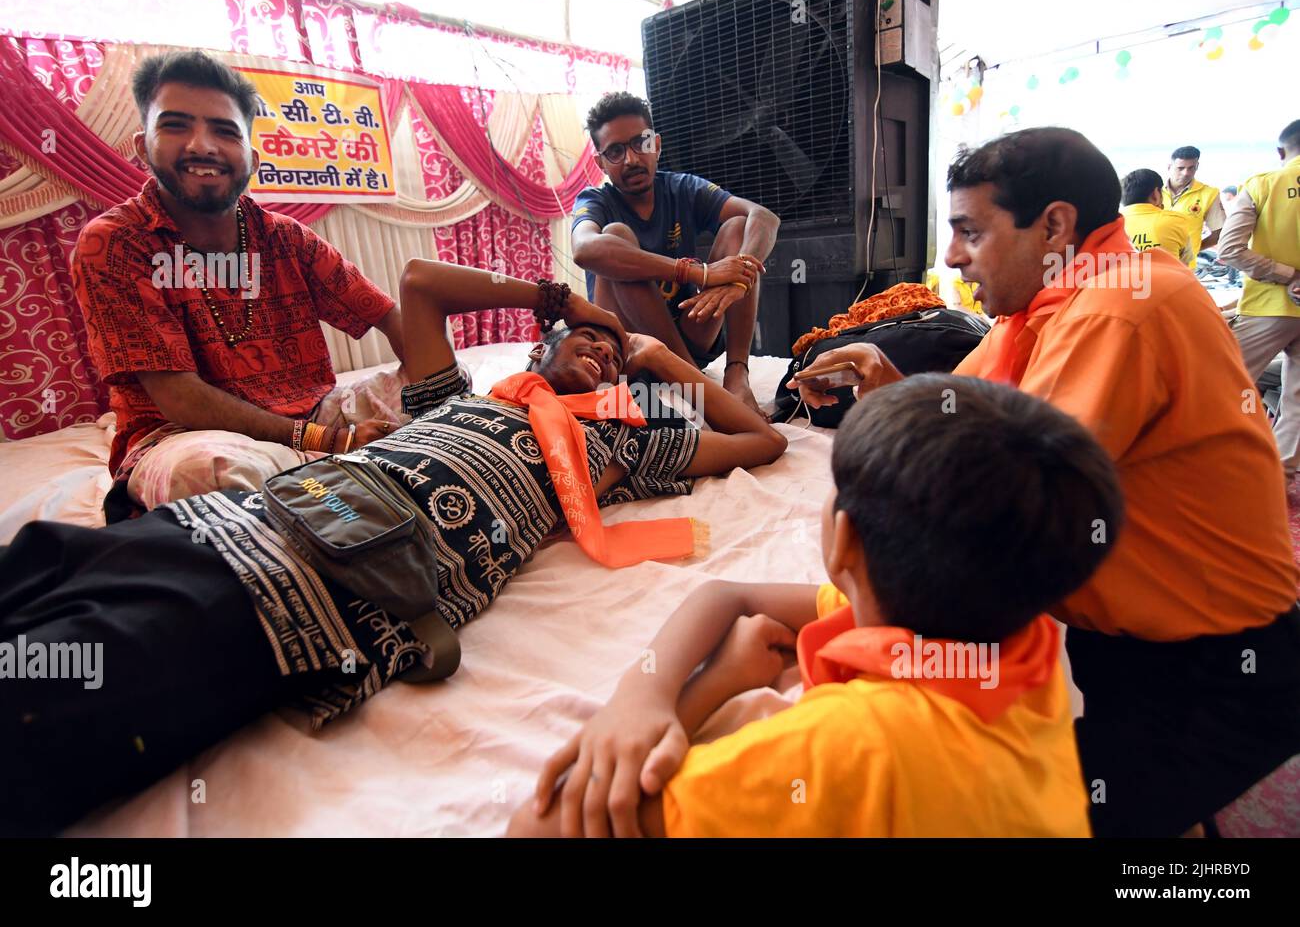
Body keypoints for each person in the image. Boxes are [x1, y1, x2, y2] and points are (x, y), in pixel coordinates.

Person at [0, 263, 787, 835]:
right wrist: (562, 298)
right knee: (36, 567)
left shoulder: (621, 440)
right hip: (239, 514)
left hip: (307, 580)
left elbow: (761, 439)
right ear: (535, 352)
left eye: (613, 355)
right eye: (585, 341)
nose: (605, 354)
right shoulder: (459, 398)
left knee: (43, 694)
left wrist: (655, 359)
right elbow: (419, 283)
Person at [777, 127, 1300, 837]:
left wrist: (847, 609)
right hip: (1121, 648)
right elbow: (962, 428)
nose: (952, 257)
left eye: (969, 231)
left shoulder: (1119, 309)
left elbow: (983, 508)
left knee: (975, 818)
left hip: (1210, 673)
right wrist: (889, 386)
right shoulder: (1042, 307)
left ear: (1054, 224)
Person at [508, 374, 1123, 837]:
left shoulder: (848, 750)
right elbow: (727, 593)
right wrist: (643, 693)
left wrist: (709, 686)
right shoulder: (1022, 639)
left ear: (844, 540)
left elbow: (542, 825)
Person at [72, 50, 406, 522]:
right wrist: (328, 443)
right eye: (175, 126)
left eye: (224, 131)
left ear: (251, 155)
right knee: (207, 473)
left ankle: (317, 484)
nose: (201, 145)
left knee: (433, 385)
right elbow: (178, 397)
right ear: (141, 145)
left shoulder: (284, 236)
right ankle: (329, 480)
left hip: (315, 413)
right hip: (185, 435)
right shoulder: (114, 242)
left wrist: (435, 387)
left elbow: (388, 315)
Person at [570, 92, 780, 415]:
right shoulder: (595, 200)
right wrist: (698, 273)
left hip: (689, 339)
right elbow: (584, 249)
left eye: (640, 143)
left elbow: (763, 217)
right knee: (616, 238)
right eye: (615, 151)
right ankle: (697, 388)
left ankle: (736, 375)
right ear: (600, 162)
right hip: (629, 353)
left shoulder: (681, 188)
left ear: (657, 144)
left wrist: (738, 276)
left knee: (738, 227)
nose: (631, 159)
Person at [1220, 120, 1300, 480]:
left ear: (1281, 152)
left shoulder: (1262, 184)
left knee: (1219, 384)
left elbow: (1230, 250)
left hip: (1269, 307)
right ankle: (1279, 475)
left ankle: (1208, 467)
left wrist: (1289, 276)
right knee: (1297, 398)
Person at [1162, 144, 1225, 265]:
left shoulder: (1208, 194)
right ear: (1169, 167)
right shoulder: (1154, 191)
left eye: (1191, 168)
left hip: (1185, 267)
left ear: (1197, 166)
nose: (1186, 173)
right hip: (1152, 264)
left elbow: (1219, 232)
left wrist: (1193, 250)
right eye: (1180, 168)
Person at [1120, 168, 1193, 264]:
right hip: (1167, 278)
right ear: (1156, 194)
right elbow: (1185, 263)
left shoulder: (1108, 223)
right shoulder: (1176, 221)